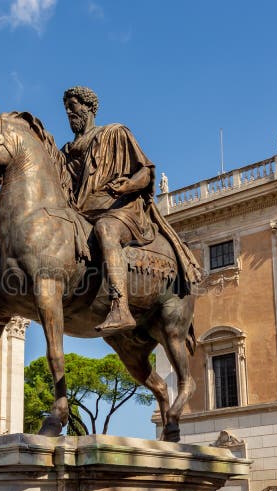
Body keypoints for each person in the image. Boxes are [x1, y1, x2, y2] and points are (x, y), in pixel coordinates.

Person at [61, 86, 202, 333]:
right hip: (83, 210)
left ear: (89, 107)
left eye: (72, 107)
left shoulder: (116, 133)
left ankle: (120, 306)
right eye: (66, 109)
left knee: (106, 229)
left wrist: (128, 184)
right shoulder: (66, 151)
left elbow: (145, 172)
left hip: (121, 209)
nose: (69, 113)